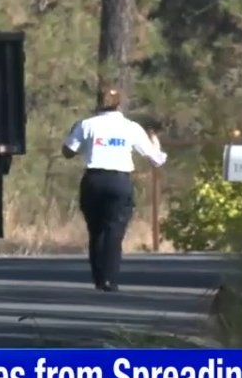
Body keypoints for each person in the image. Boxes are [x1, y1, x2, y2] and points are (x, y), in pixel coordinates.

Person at [62, 87, 167, 292]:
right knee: (114, 230)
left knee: (96, 230)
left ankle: (99, 277)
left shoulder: (87, 125)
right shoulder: (131, 127)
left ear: (98, 103)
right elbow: (156, 159)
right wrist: (154, 140)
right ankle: (109, 278)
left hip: (94, 179)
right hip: (119, 181)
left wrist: (73, 134)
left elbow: (68, 152)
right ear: (119, 104)